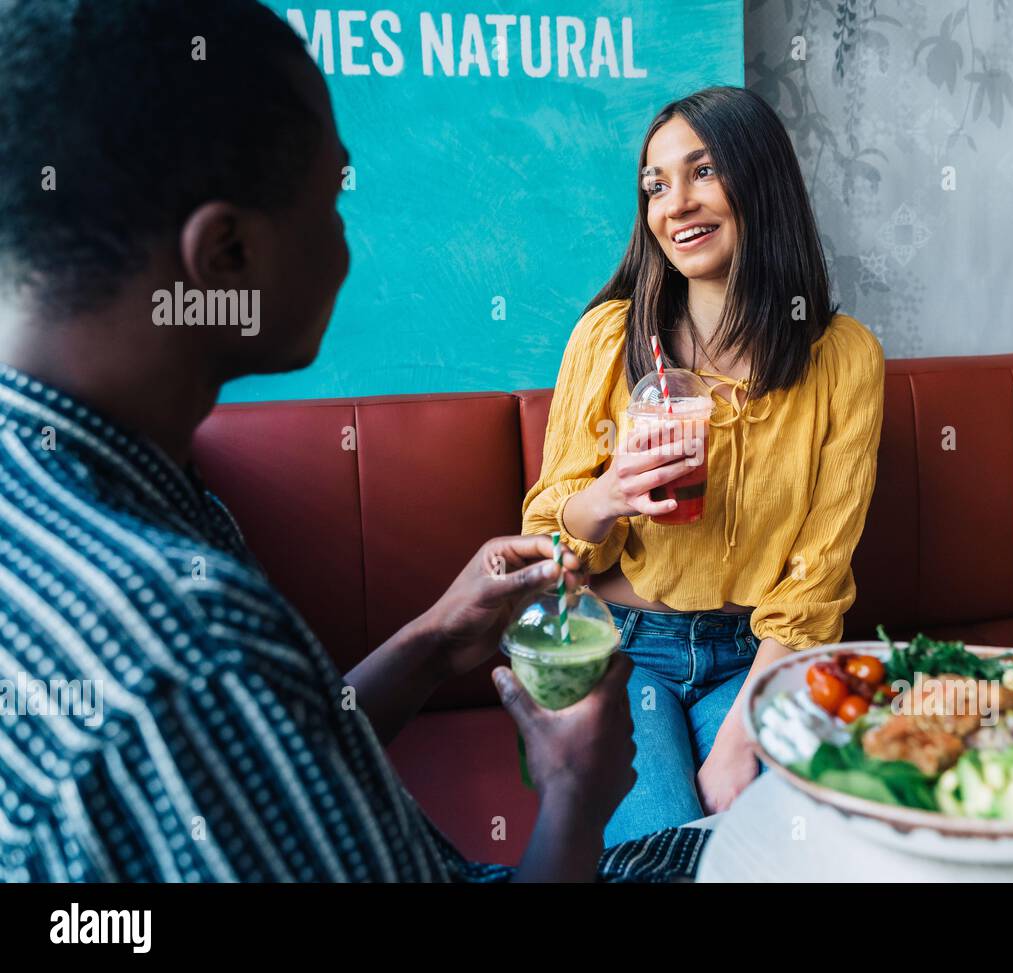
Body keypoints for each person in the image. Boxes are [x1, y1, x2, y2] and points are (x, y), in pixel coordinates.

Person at [0, 0, 707, 883]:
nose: (347, 245)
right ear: (225, 255)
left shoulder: (87, 487)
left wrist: (434, 641)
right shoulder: (188, 646)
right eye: (333, 199)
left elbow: (264, 762)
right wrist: (575, 789)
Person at [522, 86, 886, 845]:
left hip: (757, 654)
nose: (675, 204)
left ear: (760, 180)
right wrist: (610, 494)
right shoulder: (609, 338)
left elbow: (817, 578)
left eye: (703, 172)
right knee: (665, 851)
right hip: (621, 646)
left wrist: (743, 733)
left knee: (766, 848)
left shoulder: (842, 357)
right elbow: (550, 541)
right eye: (656, 185)